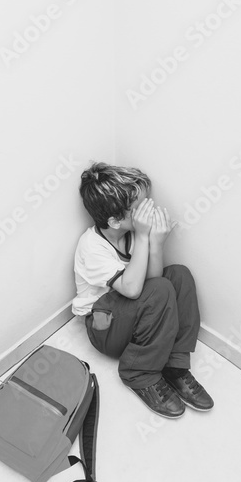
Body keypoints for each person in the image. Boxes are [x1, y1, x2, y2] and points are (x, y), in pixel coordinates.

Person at [72, 162, 213, 418]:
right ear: (115, 221)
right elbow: (133, 289)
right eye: (140, 209)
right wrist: (142, 236)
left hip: (128, 314)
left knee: (179, 275)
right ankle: (138, 372)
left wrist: (155, 244)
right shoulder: (91, 247)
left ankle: (174, 364)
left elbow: (154, 281)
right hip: (103, 326)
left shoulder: (128, 233)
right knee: (157, 288)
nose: (147, 211)